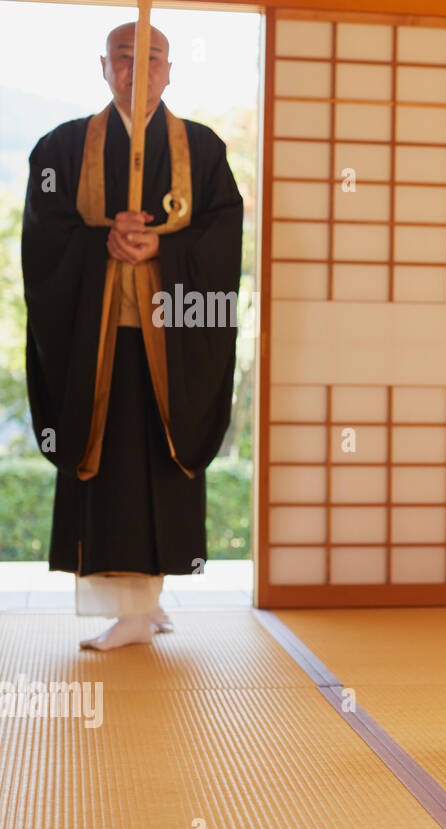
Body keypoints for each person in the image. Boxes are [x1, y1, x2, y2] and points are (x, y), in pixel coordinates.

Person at [22, 22, 244, 649]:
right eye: (124, 58)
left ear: (169, 71)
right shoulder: (60, 149)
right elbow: (43, 237)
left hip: (170, 340)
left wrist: (161, 248)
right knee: (111, 465)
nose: (137, 71)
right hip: (94, 340)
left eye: (153, 60)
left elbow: (225, 231)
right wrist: (102, 242)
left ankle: (148, 605)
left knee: (161, 460)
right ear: (103, 66)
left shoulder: (202, 150)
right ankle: (131, 607)